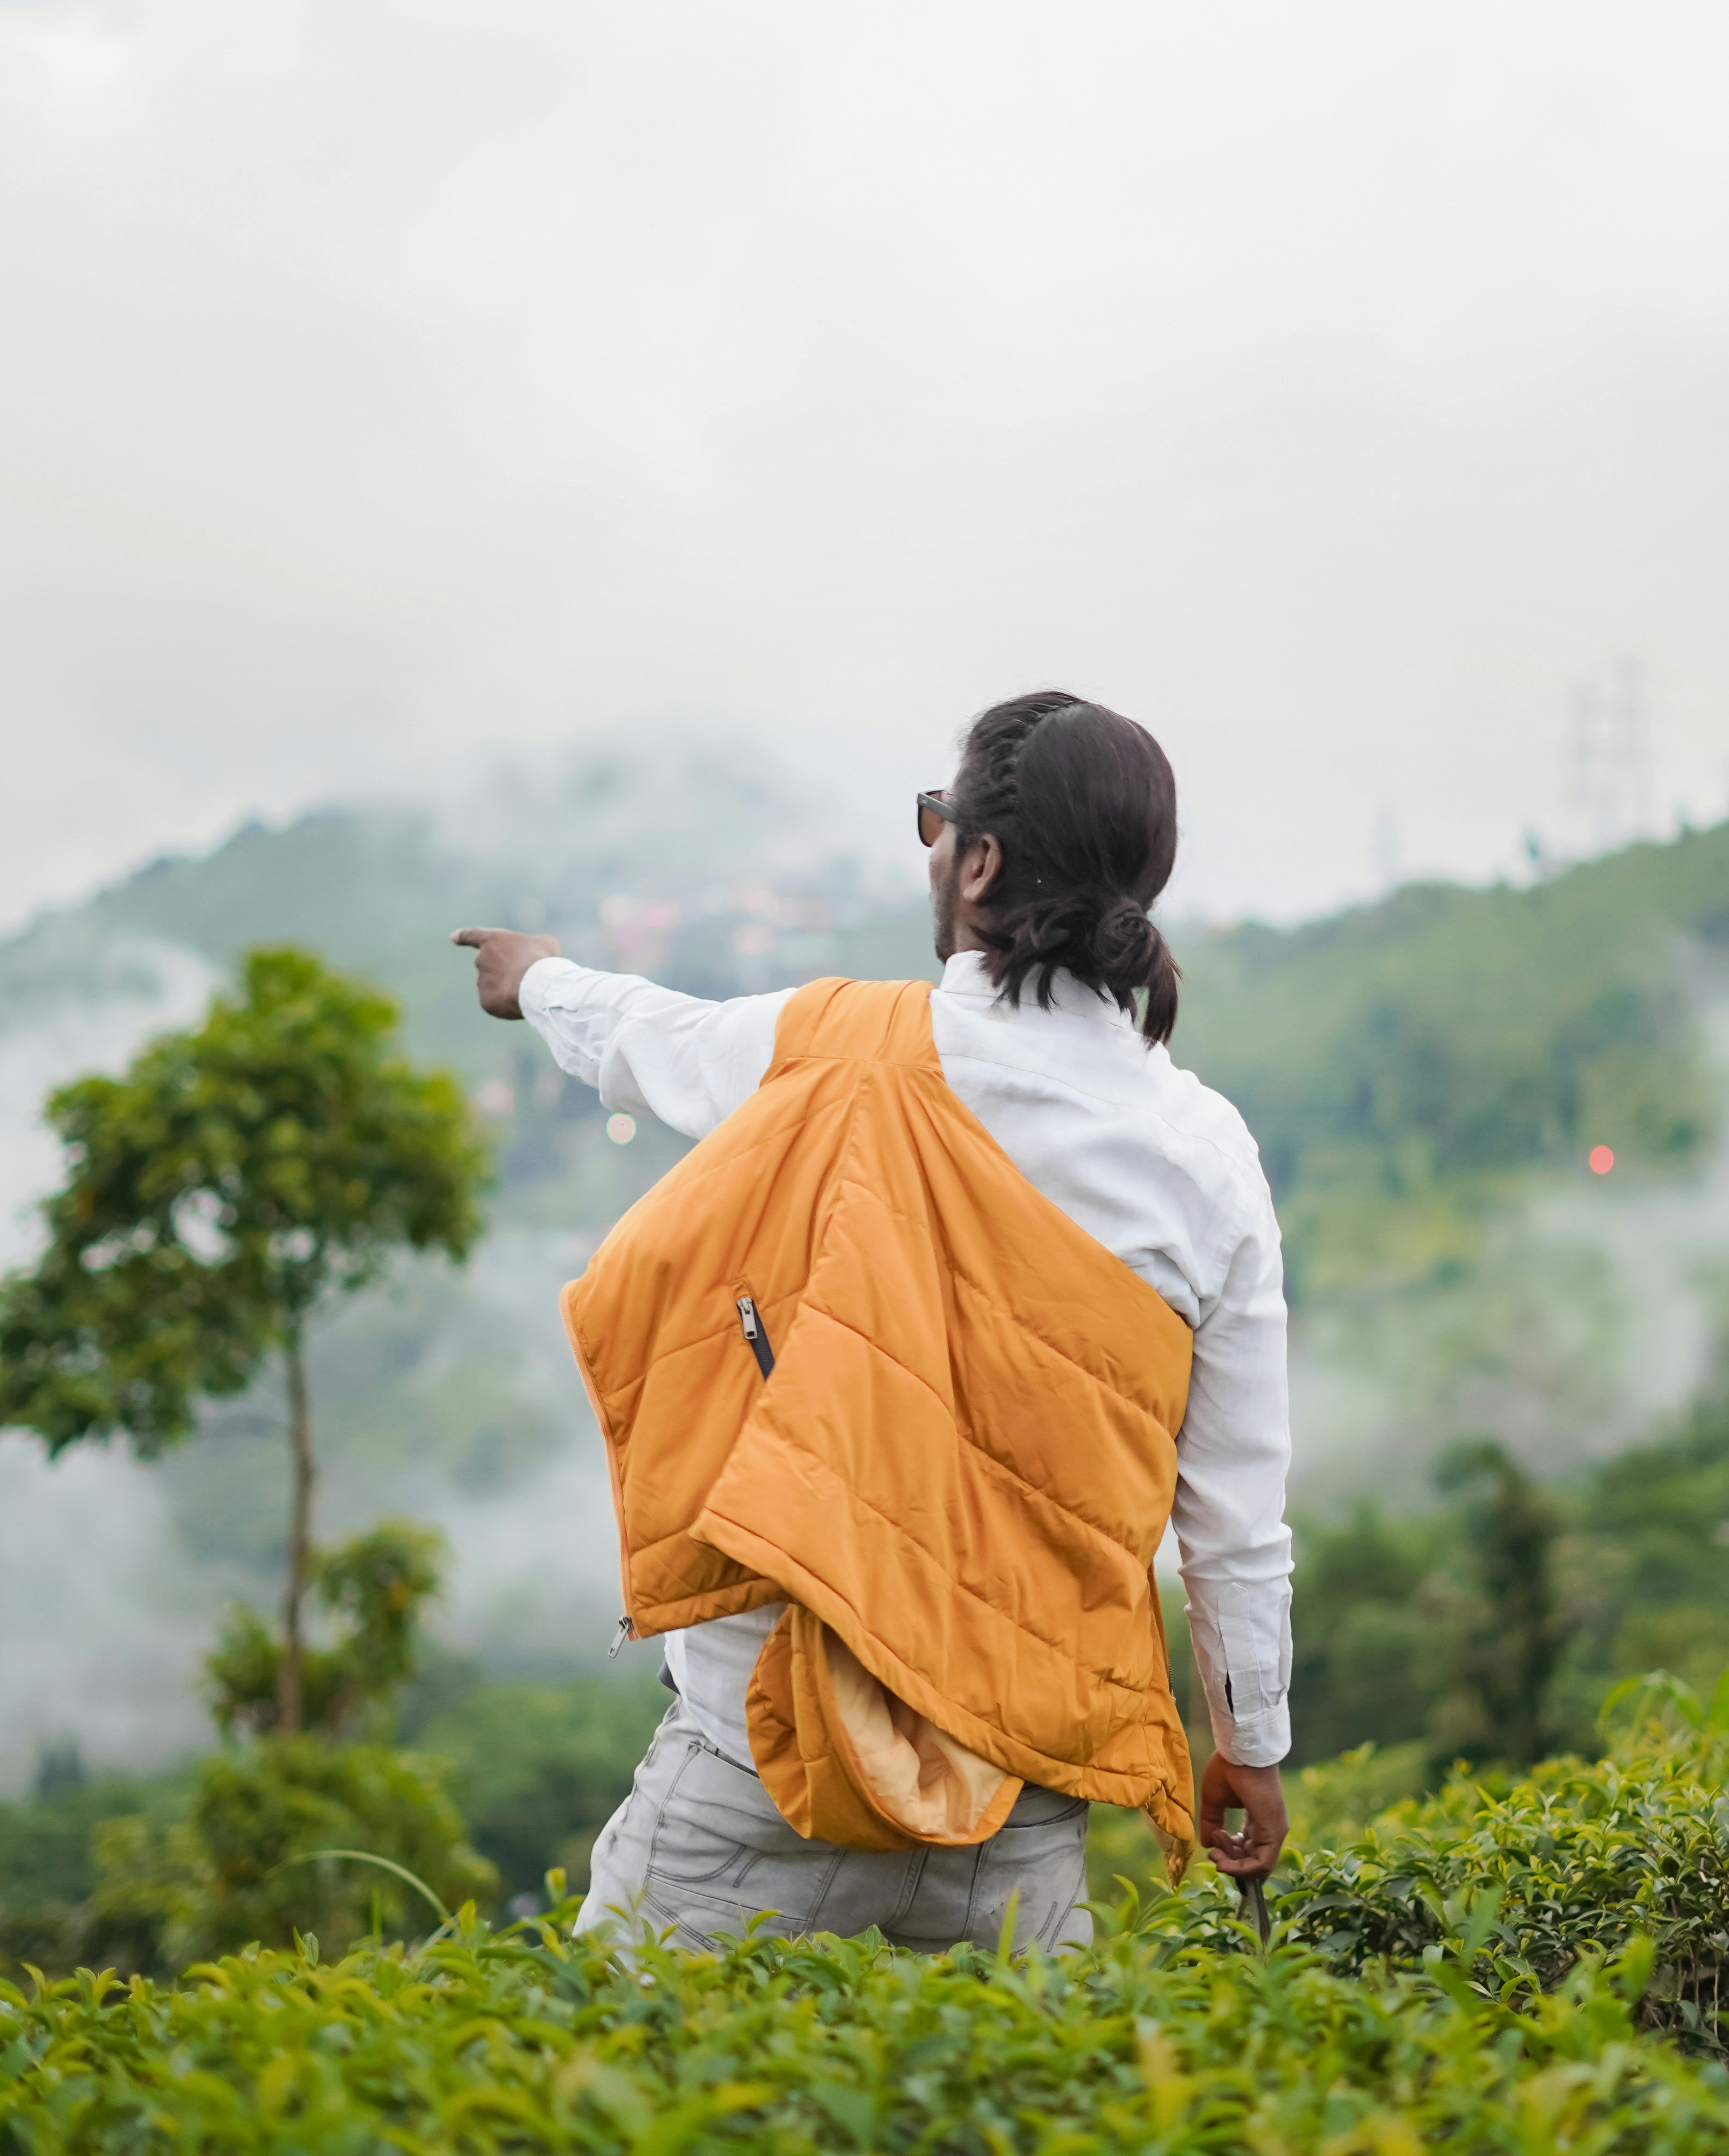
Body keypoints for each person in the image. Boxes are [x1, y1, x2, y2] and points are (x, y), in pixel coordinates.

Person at [455, 691, 1291, 1953]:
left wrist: (537, 980)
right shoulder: (1206, 1154)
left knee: (593, 2095)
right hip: (1025, 1806)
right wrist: (1251, 1745)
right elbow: (1233, 1514)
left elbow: (653, 1037)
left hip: (757, 1778)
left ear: (981, 861)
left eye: (936, 823)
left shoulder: (839, 1050)